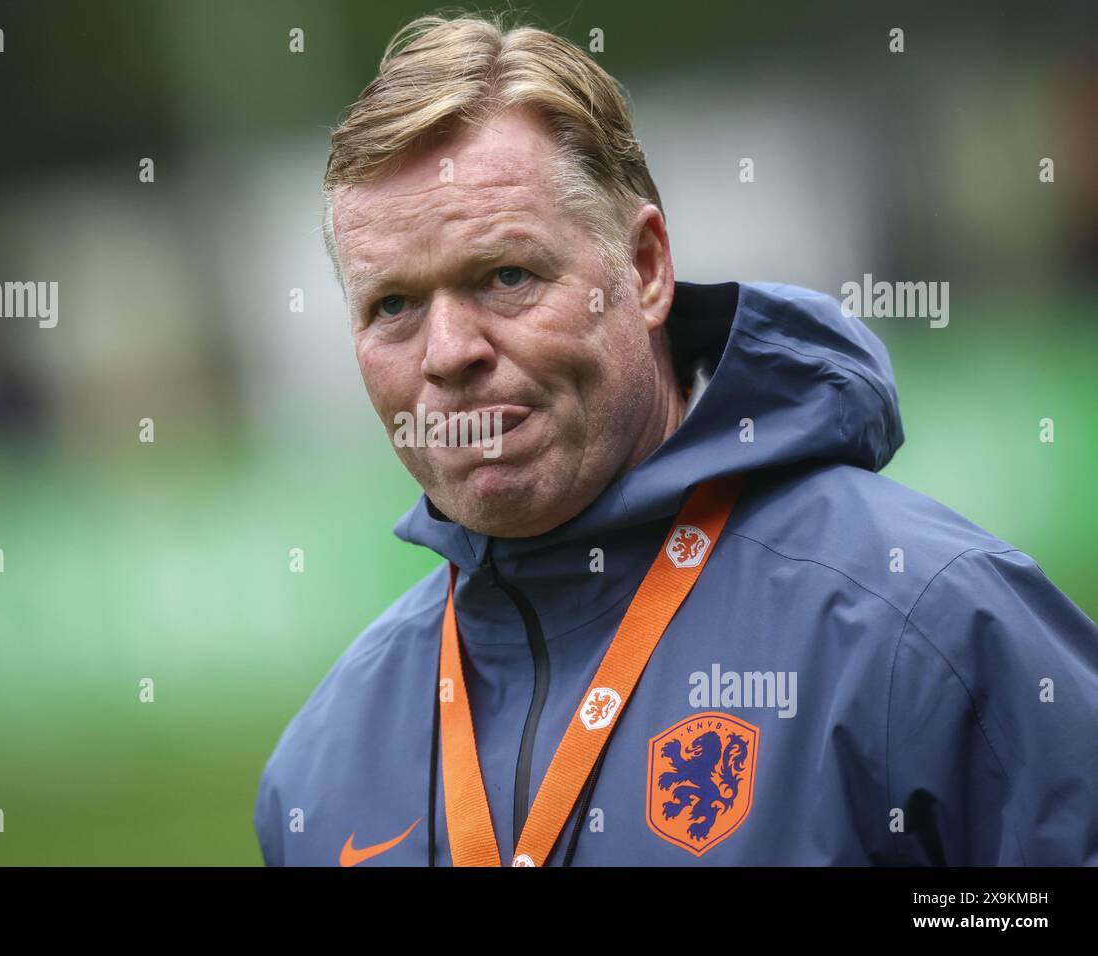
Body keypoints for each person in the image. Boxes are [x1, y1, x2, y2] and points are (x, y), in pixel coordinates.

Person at [254, 14, 1098, 866]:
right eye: (392, 306)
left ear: (647, 269)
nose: (448, 354)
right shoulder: (318, 778)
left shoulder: (930, 631)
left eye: (506, 276)